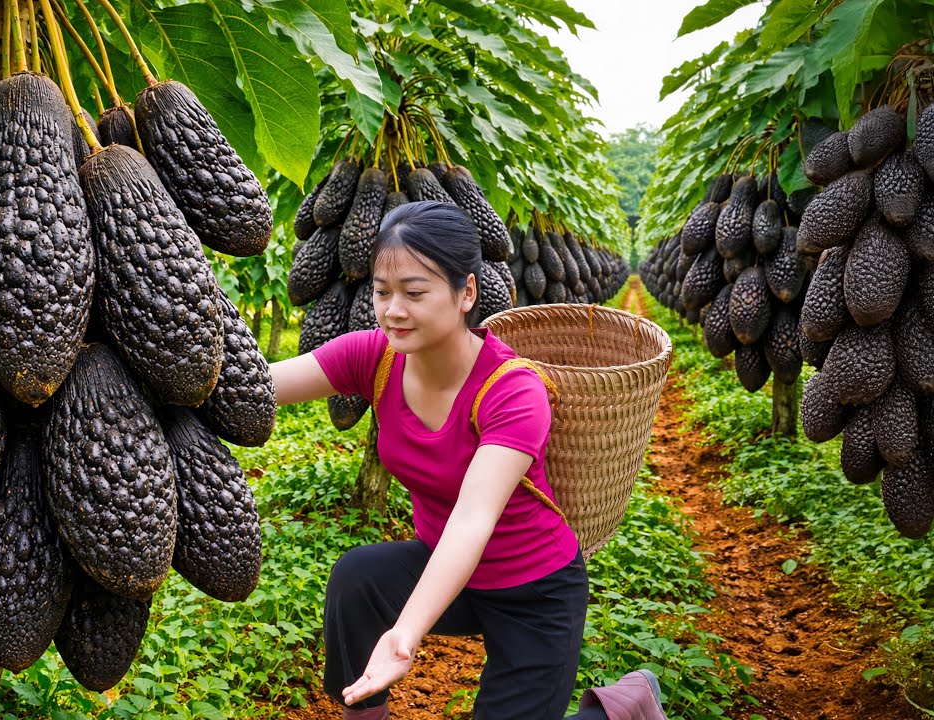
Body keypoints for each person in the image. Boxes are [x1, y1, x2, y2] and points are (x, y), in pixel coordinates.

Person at [269, 201, 667, 720]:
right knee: (357, 579)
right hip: (445, 570)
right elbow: (259, 384)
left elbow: (473, 519)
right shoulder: (375, 357)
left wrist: (404, 634)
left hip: (534, 591)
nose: (393, 310)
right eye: (382, 292)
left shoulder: (513, 390)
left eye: (414, 293)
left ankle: (626, 706)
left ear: (467, 293)